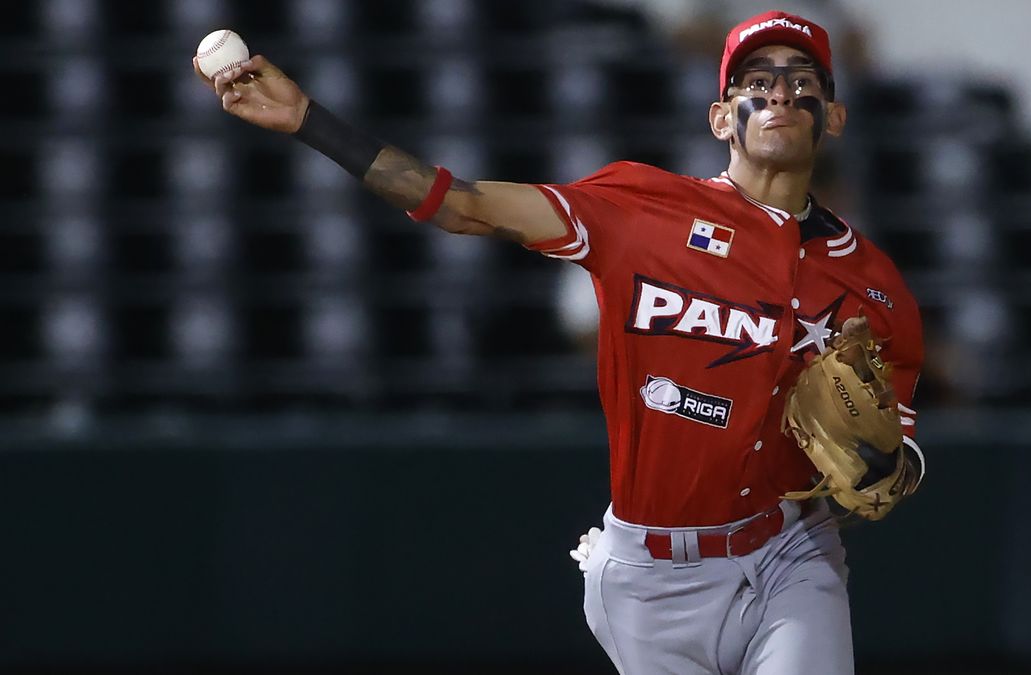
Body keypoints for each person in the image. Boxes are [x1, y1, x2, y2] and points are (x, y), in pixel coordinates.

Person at [195, 9, 924, 674]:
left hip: (789, 553)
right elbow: (462, 203)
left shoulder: (875, 285)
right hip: (649, 579)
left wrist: (888, 462)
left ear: (833, 115)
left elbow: (903, 457)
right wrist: (309, 120)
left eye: (802, 83)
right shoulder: (641, 209)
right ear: (718, 117)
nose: (779, 94)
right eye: (755, 81)